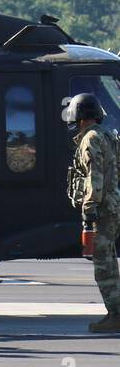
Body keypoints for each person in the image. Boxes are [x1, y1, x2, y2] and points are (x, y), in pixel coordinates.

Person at [64, 93, 120, 333]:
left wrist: (89, 209)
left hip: (103, 208)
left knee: (103, 265)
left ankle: (115, 314)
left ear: (80, 116)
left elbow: (93, 176)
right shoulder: (108, 136)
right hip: (112, 205)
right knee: (108, 260)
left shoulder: (91, 139)